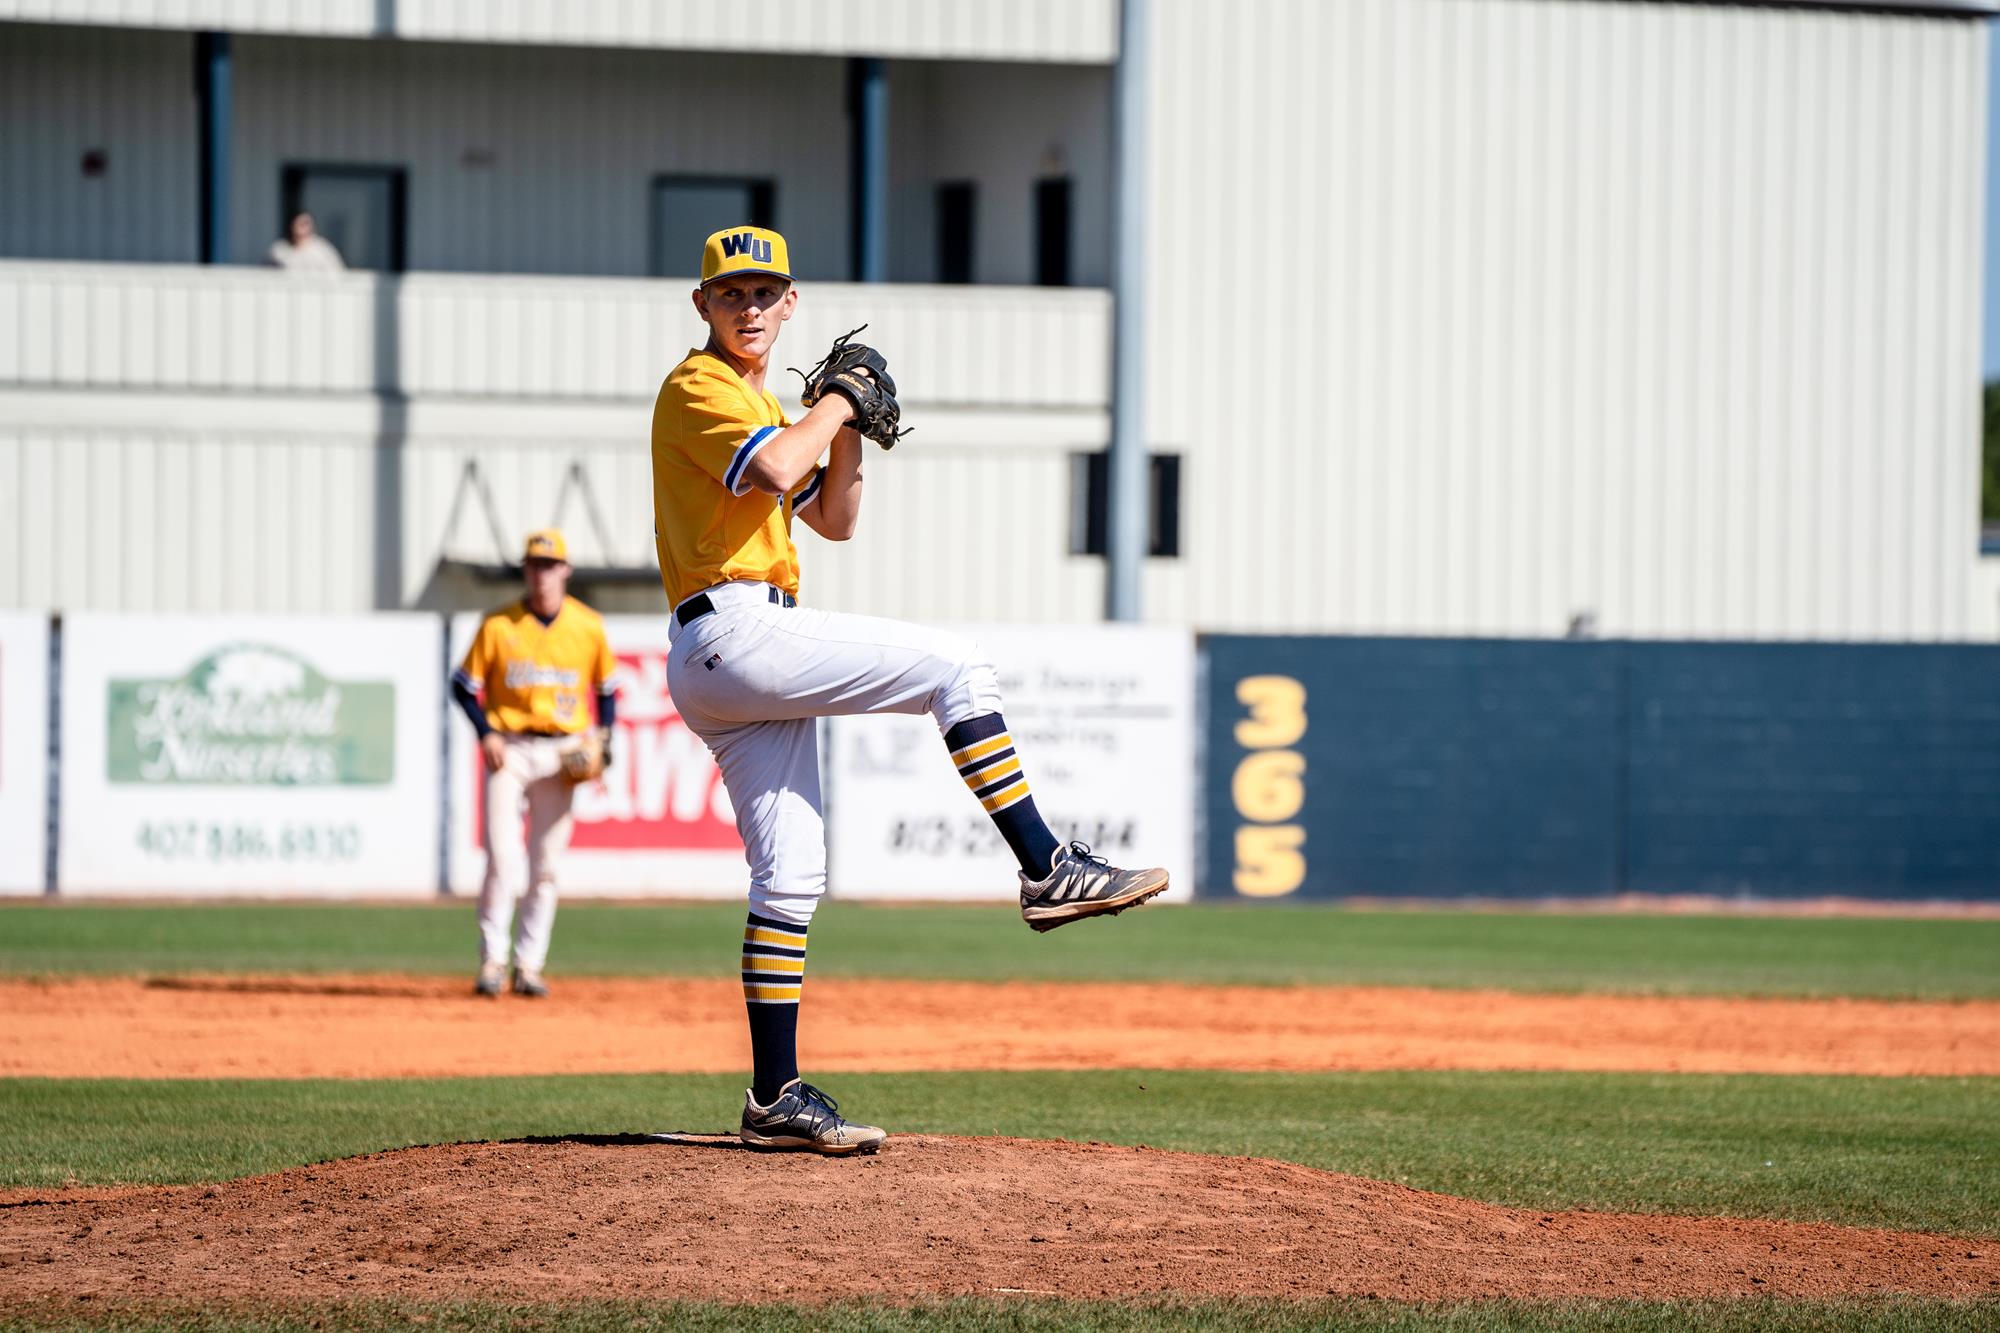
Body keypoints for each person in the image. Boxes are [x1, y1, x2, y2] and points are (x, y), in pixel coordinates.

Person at [652, 226, 1169, 1156]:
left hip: (726, 655)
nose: (751, 307)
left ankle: (774, 1093)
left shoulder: (766, 402)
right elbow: (775, 470)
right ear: (703, 306)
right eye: (732, 293)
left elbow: (835, 518)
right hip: (734, 627)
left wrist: (843, 427)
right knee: (957, 666)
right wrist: (839, 398)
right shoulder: (700, 388)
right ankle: (1048, 866)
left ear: (792, 301)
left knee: (791, 873)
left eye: (767, 292)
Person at [450, 530, 619, 999]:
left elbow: (607, 690)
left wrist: (604, 739)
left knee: (545, 867)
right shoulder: (499, 625)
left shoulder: (587, 626)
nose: (541, 573)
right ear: (525, 570)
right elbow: (463, 686)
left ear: (565, 570)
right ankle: (492, 961)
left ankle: (528, 965)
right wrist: (485, 733)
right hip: (511, 748)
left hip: (562, 753)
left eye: (549, 564)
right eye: (534, 565)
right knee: (503, 860)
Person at [267, 211, 346, 272]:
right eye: (298, 224)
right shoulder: (279, 249)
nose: (301, 229)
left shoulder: (323, 249)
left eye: (305, 224)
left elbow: (337, 273)